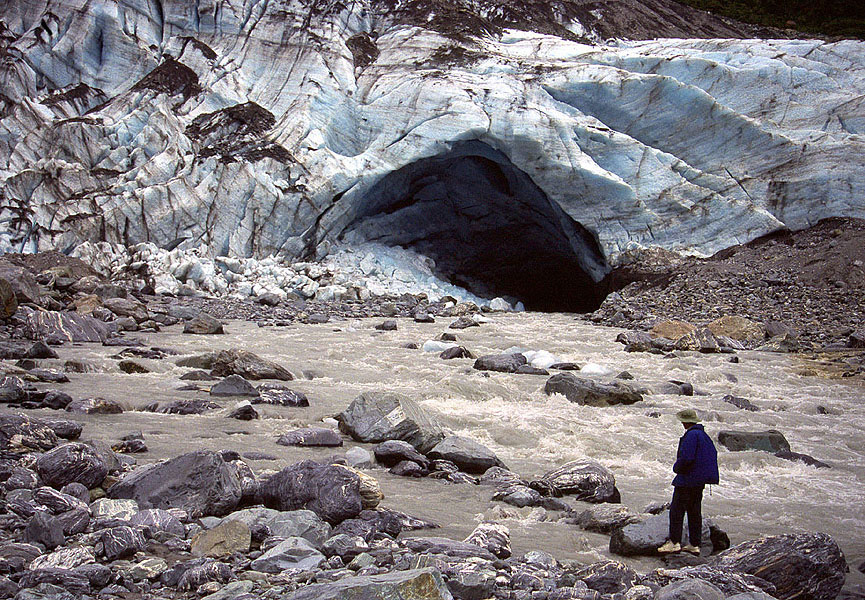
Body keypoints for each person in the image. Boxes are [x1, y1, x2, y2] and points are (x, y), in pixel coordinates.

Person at [657, 408, 719, 555]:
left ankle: (674, 542)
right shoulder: (704, 435)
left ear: (685, 422)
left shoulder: (691, 435)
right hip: (699, 481)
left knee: (677, 511)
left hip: (687, 480)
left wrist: (676, 468)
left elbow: (687, 458)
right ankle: (694, 544)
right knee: (694, 511)